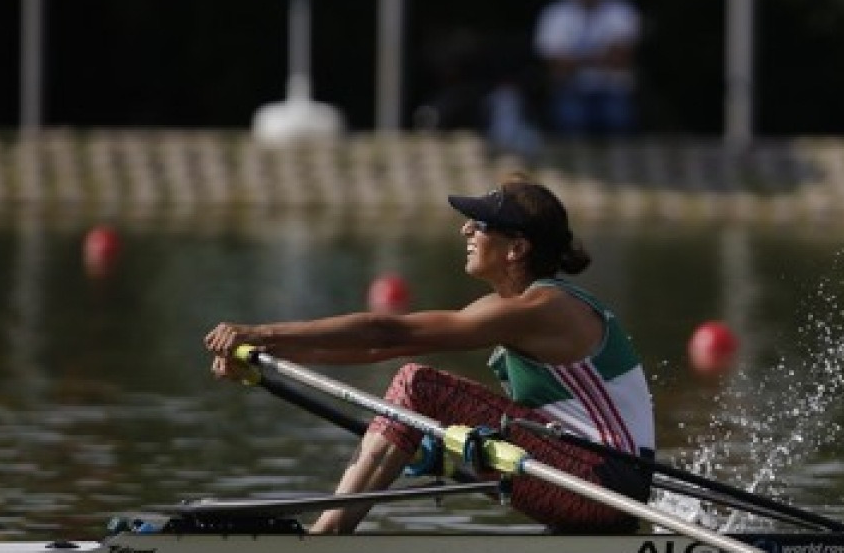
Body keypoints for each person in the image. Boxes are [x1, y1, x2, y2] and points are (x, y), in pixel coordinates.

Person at [204, 177, 656, 534]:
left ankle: (329, 533)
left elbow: (388, 328)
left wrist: (259, 331)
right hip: (580, 477)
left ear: (517, 248)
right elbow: (387, 346)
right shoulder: (514, 309)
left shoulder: (545, 309)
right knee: (416, 389)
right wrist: (266, 353)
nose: (466, 229)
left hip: (602, 485)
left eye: (479, 225)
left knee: (420, 384)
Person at [535, 0, 641, 137]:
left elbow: (620, 57)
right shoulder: (555, 14)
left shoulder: (622, 11)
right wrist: (602, 57)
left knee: (618, 118)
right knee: (570, 119)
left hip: (613, 91)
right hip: (570, 91)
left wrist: (574, 60)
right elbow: (554, 61)